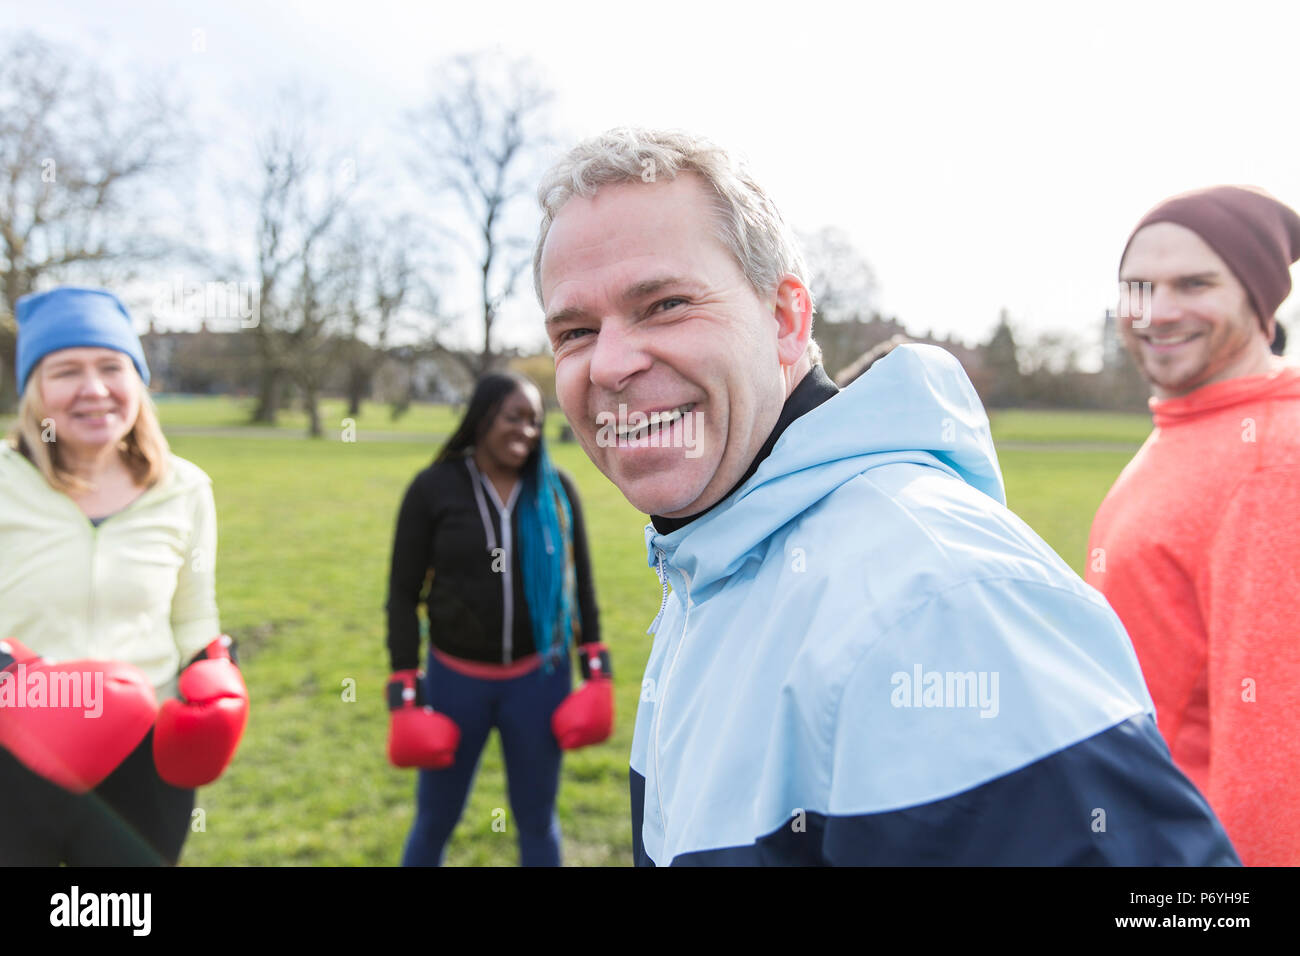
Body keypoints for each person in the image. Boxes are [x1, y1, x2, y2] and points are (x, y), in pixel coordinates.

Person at [533, 128, 1239, 866]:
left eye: (665, 304)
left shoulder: (937, 600)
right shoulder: (712, 565)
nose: (610, 364)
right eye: (576, 330)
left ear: (784, 319)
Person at [1088, 185, 1300, 866]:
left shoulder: (1273, 460)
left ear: (1260, 300)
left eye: (1194, 284)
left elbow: (1277, 767)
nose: (1157, 312)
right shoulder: (1190, 425)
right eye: (1138, 287)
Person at [0, 286, 248, 866]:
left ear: (138, 380)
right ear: (34, 389)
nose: (93, 388)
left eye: (112, 366)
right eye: (65, 370)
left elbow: (194, 614)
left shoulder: (185, 489)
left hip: (145, 758)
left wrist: (214, 665)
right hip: (12, 752)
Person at [384, 371, 611, 867]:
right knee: (435, 819)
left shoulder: (556, 490)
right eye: (514, 418)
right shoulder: (433, 488)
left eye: (535, 421)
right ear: (483, 417)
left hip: (540, 679)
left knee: (536, 819)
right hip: (455, 683)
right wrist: (404, 689)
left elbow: (583, 587)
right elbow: (402, 595)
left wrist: (597, 674)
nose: (527, 432)